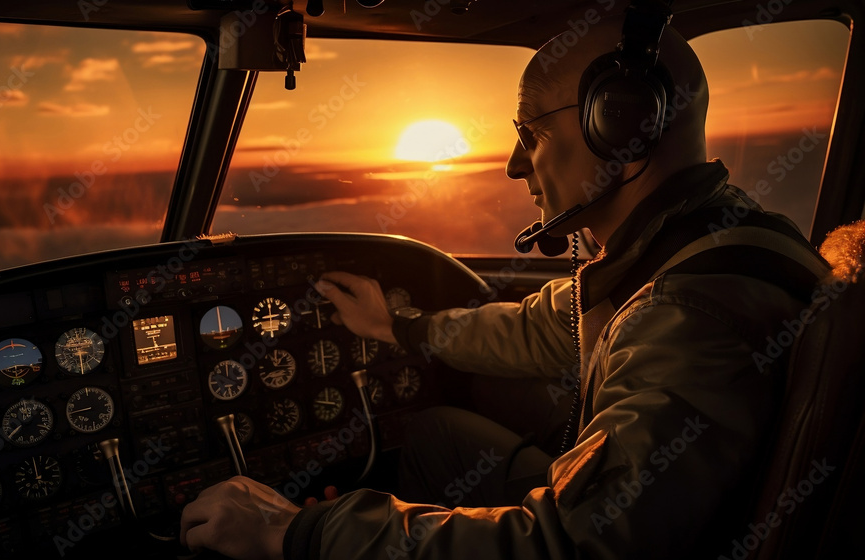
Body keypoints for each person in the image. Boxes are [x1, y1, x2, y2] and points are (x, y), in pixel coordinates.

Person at [179, 10, 831, 560]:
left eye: (531, 133)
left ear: (622, 127)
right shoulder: (713, 235)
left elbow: (571, 545)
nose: (516, 164)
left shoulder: (687, 313)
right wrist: (402, 327)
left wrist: (294, 532)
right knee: (435, 433)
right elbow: (539, 328)